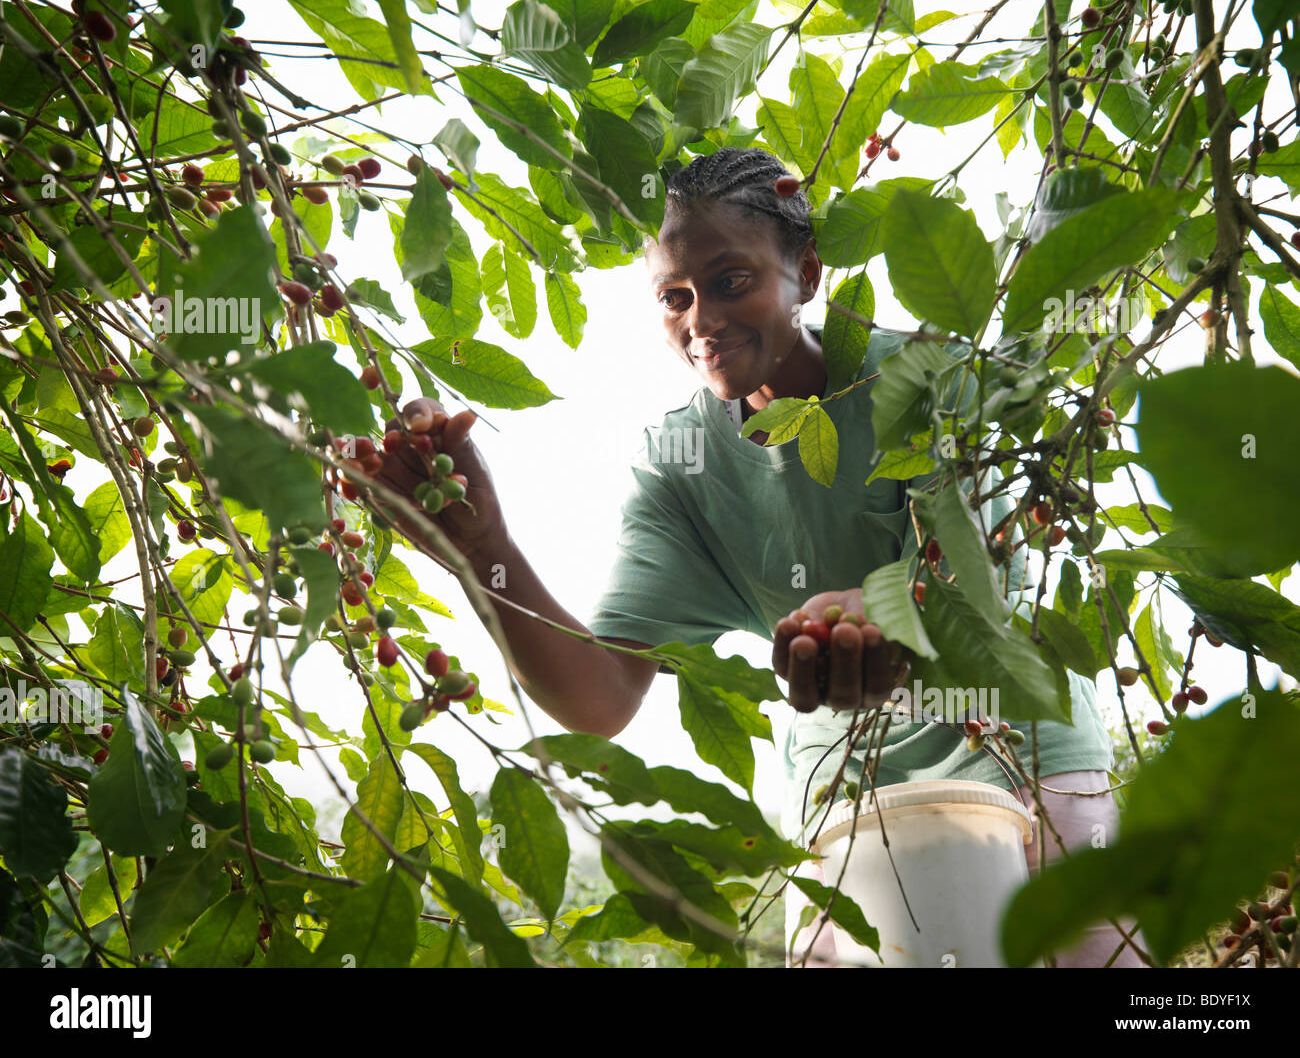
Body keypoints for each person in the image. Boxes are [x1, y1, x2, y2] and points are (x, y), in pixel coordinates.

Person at [376, 146, 1145, 968]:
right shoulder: (682, 469)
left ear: (805, 273)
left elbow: (968, 582)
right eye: (674, 297)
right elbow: (600, 697)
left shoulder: (923, 378)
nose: (701, 320)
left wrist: (881, 611)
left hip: (1028, 766)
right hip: (847, 809)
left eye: (730, 281)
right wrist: (481, 552)